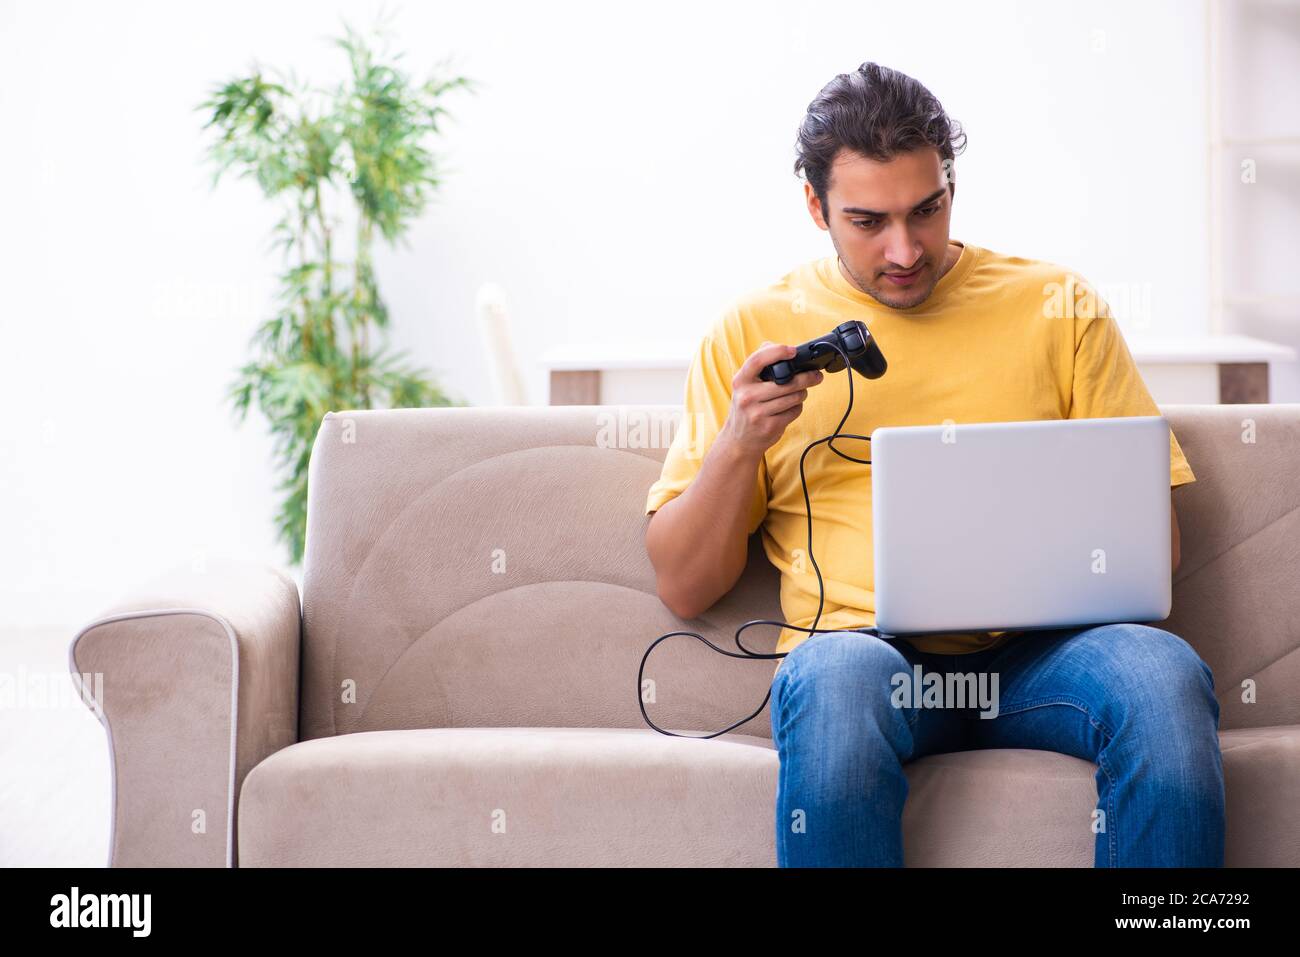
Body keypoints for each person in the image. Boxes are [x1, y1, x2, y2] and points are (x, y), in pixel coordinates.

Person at [642, 62, 1224, 867]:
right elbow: (682, 583)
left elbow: (1155, 555)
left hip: (1045, 655)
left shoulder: (1060, 307)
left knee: (1162, 676)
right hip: (863, 652)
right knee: (840, 680)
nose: (906, 248)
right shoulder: (752, 333)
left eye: (928, 209)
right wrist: (740, 442)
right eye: (868, 220)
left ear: (951, 182)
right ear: (815, 207)